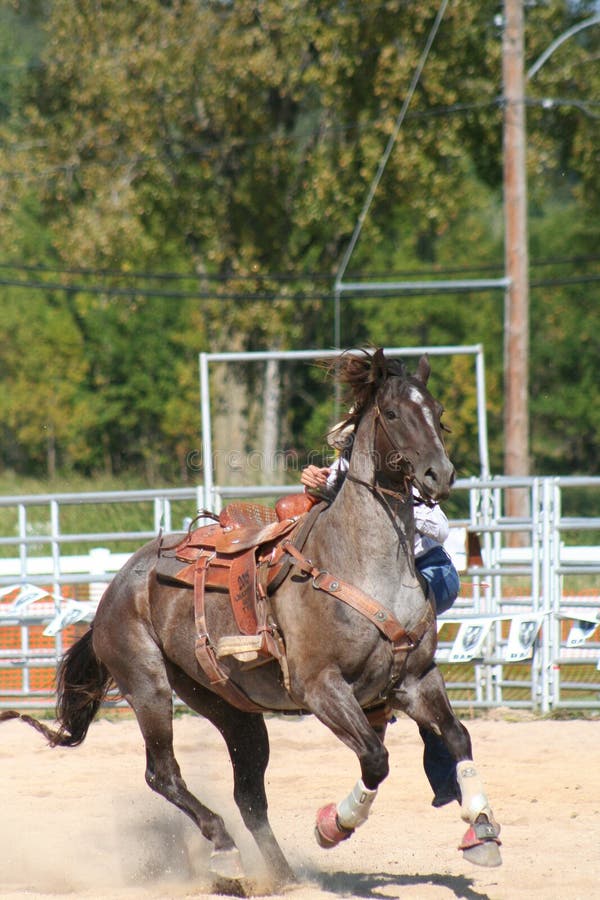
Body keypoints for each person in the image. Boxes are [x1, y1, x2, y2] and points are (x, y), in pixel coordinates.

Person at [300, 428, 461, 808]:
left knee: (411, 661)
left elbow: (441, 528)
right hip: (377, 582)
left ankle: (383, 699)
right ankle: (385, 699)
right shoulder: (343, 472)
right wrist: (315, 486)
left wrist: (399, 506)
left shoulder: (403, 471)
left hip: (427, 567)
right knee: (400, 660)